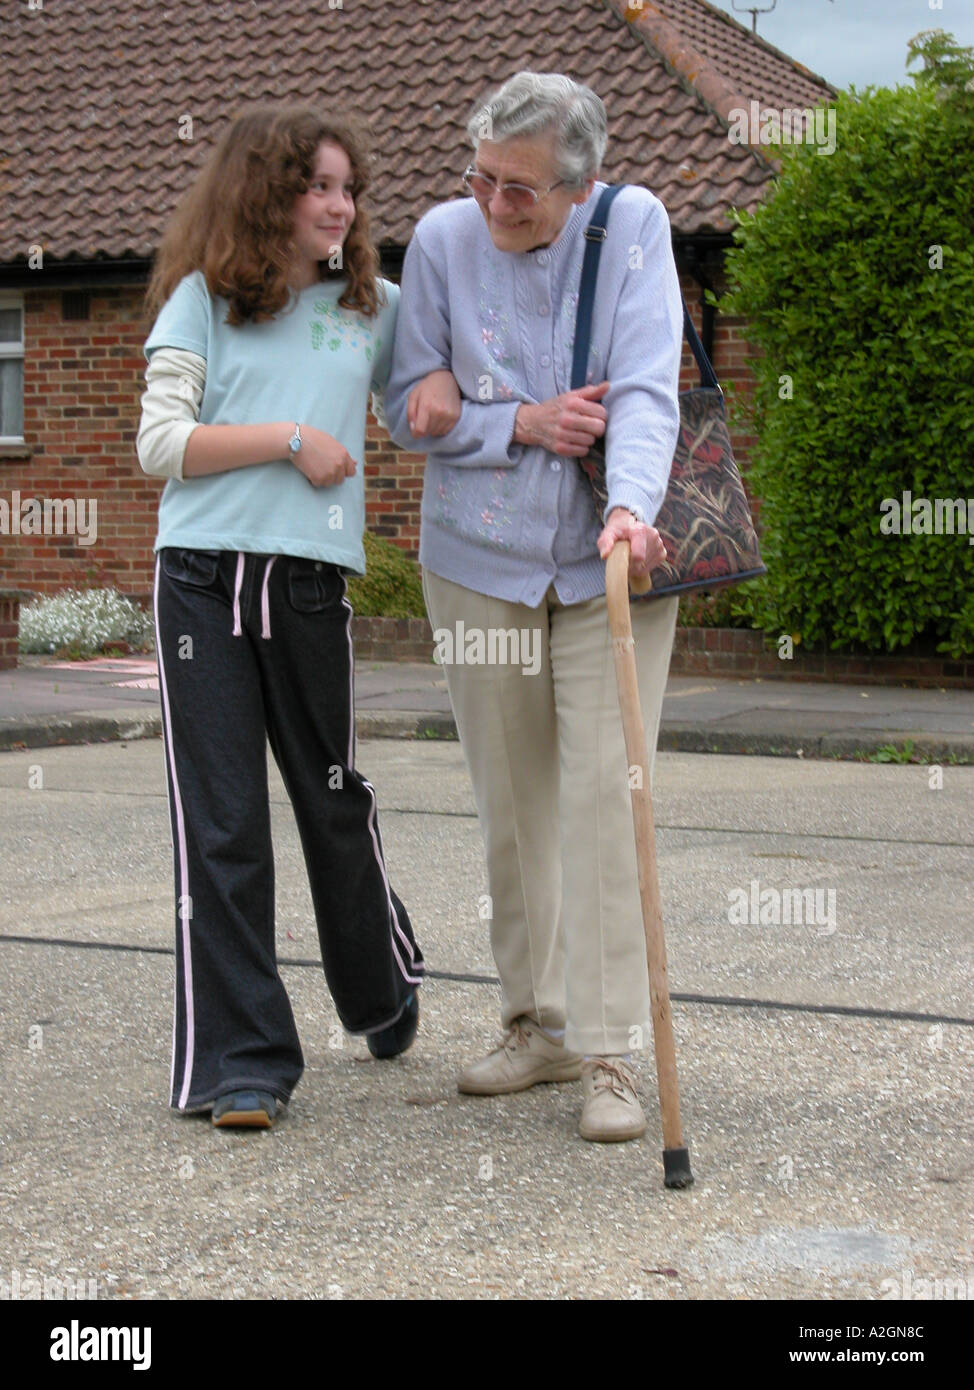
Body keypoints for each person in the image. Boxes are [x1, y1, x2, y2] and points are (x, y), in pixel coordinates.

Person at [136, 105, 456, 1128]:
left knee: (329, 800)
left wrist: (448, 385)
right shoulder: (200, 301)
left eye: (347, 188)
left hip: (307, 583)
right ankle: (245, 1062)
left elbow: (425, 403)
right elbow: (160, 442)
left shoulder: (369, 304)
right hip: (197, 583)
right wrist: (285, 438)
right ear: (264, 193)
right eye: (316, 185)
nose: (338, 205)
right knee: (222, 820)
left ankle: (377, 984)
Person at [385, 71, 683, 1143]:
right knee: (510, 802)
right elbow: (407, 398)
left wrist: (633, 508)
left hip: (609, 558)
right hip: (477, 558)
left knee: (606, 796)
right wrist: (510, 421)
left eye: (520, 190)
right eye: (482, 178)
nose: (494, 205)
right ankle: (534, 1022)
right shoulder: (439, 240)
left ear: (581, 182)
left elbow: (646, 384)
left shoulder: (634, 225)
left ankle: (609, 1050)